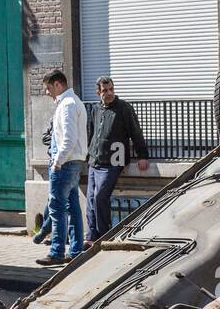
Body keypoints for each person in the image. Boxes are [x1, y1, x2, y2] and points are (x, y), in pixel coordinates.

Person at [85, 77, 149, 244]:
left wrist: (142, 155)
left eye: (111, 89)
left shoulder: (124, 108)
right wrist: (88, 155)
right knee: (90, 199)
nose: (109, 93)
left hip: (114, 160)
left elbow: (135, 131)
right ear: (98, 92)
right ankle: (92, 237)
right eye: (105, 90)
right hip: (95, 160)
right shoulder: (95, 108)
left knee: (100, 197)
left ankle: (104, 235)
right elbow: (91, 134)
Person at [37, 69, 88, 268]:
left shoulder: (67, 104)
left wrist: (57, 161)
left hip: (65, 163)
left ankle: (56, 251)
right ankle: (75, 251)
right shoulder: (73, 102)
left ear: (58, 84)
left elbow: (69, 137)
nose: (47, 93)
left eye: (49, 88)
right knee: (72, 207)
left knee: (57, 208)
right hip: (74, 162)